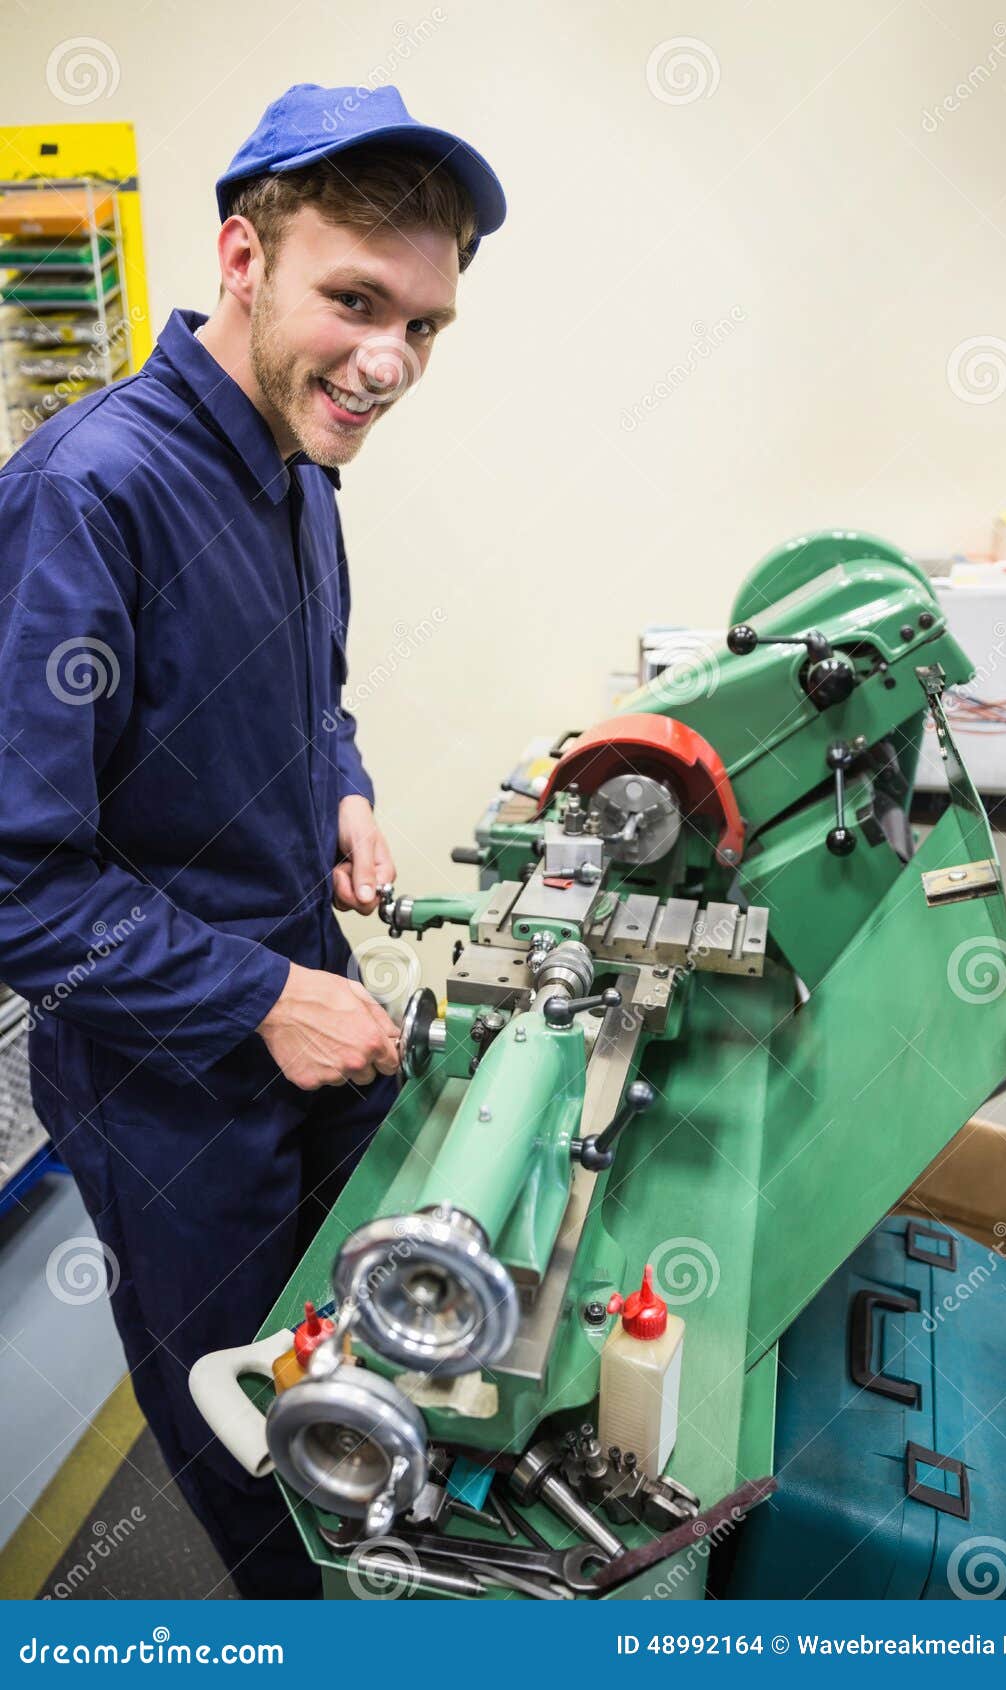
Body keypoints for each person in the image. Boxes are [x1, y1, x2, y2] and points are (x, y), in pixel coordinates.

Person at [0, 82, 506, 1597]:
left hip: (307, 1003)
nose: (391, 359)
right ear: (241, 258)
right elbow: (17, 881)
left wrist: (336, 779)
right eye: (357, 300)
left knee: (373, 1382)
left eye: (424, 325)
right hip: (170, 1083)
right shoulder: (86, 495)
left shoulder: (300, 469)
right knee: (259, 1461)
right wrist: (261, 1000)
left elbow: (312, 694)